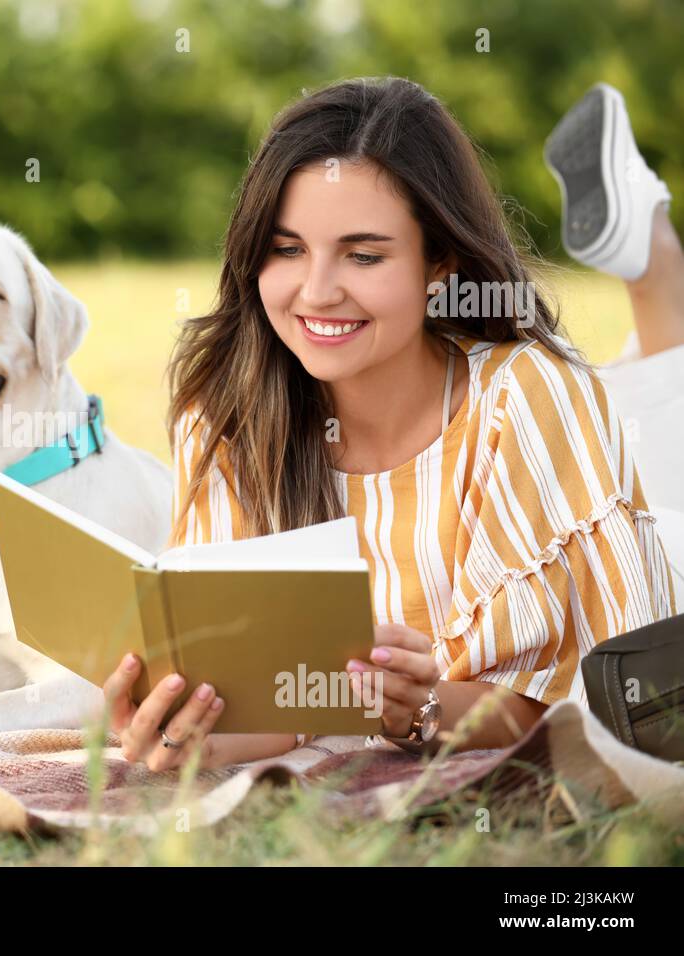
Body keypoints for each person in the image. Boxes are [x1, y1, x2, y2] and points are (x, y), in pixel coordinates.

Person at [102, 77, 681, 772]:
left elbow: (555, 707)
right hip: (579, 445)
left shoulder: (525, 402)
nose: (316, 292)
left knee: (663, 415)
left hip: (646, 549)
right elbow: (275, 709)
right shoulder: (227, 416)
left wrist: (424, 706)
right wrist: (185, 731)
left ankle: (653, 257)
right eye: (287, 250)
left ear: (440, 264)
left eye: (365, 255)